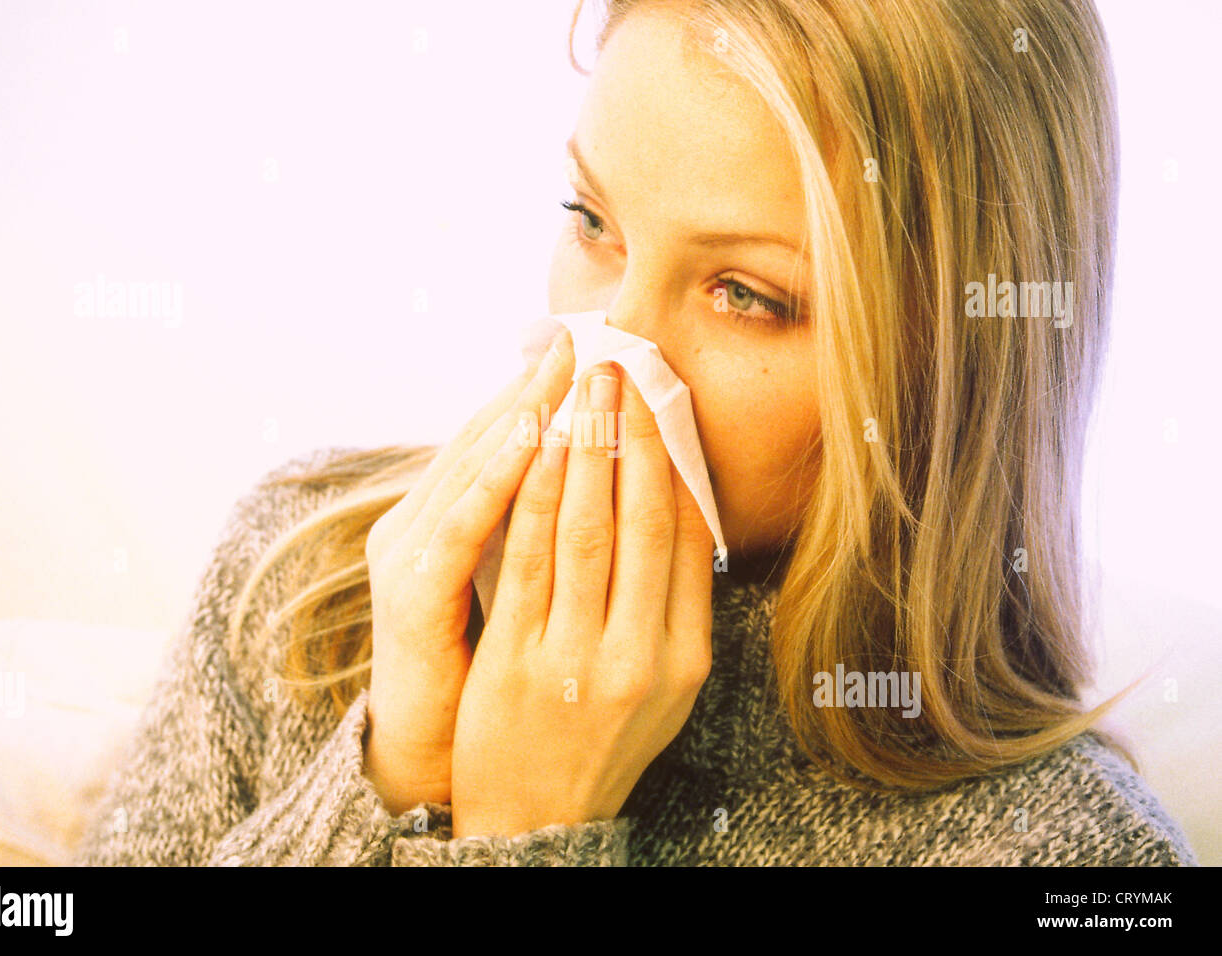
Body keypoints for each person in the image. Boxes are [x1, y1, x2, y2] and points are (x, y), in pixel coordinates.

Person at [72, 0, 1198, 865]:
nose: (605, 348)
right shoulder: (303, 586)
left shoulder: (1065, 851)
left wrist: (523, 829)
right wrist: (394, 773)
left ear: (953, 369)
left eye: (745, 294)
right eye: (592, 221)